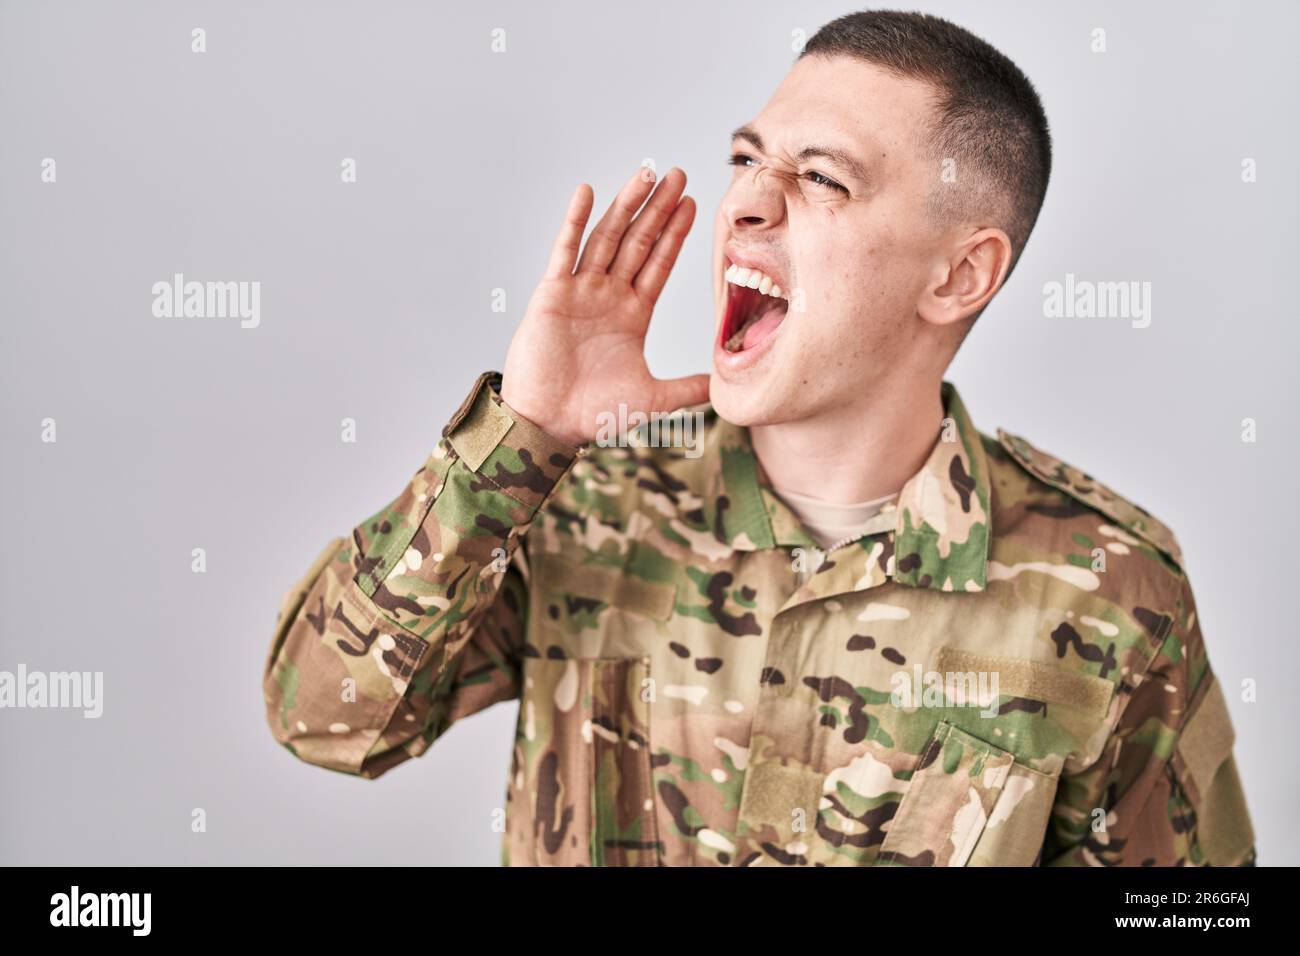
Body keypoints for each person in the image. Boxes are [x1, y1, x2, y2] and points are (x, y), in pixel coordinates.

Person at [261, 9, 1255, 867]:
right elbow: (325, 718)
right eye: (748, 158)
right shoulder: (584, 491)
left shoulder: (1111, 586)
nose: (740, 203)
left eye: (821, 179)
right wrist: (519, 439)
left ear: (957, 275)